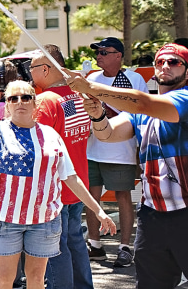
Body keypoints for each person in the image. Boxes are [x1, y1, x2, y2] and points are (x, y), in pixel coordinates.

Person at [0, 71, 115, 289]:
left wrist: (98, 211)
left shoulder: (51, 135)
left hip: (44, 220)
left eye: (26, 97)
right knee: (4, 281)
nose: (20, 102)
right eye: (13, 98)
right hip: (6, 220)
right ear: (6, 105)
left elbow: (71, 177)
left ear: (35, 104)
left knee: (37, 280)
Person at [71, 42, 188, 288]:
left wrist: (92, 87)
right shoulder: (142, 109)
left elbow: (143, 103)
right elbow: (108, 134)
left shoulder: (184, 99)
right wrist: (97, 115)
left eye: (174, 62)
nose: (165, 66)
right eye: (160, 62)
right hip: (152, 214)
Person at [27, 45, 94, 289]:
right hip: (77, 181)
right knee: (74, 239)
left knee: (56, 245)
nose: (29, 73)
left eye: (31, 68)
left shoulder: (45, 101)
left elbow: (32, 143)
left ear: (45, 69)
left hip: (54, 185)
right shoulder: (78, 94)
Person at [83, 36, 146, 267]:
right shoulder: (91, 79)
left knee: (123, 197)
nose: (99, 56)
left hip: (121, 149)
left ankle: (125, 247)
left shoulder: (134, 78)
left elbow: (139, 111)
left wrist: (111, 114)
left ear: (118, 55)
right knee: (91, 198)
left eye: (104, 52)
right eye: (97, 52)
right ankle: (95, 245)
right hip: (93, 149)